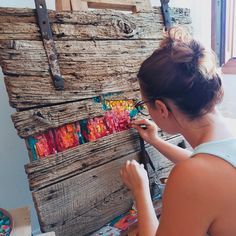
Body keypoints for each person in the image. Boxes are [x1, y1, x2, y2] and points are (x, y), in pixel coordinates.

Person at [120, 27, 236, 236]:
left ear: (162, 108)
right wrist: (155, 140)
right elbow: (212, 164)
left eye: (145, 103)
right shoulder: (230, 128)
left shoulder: (192, 177)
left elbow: (200, 173)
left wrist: (140, 190)